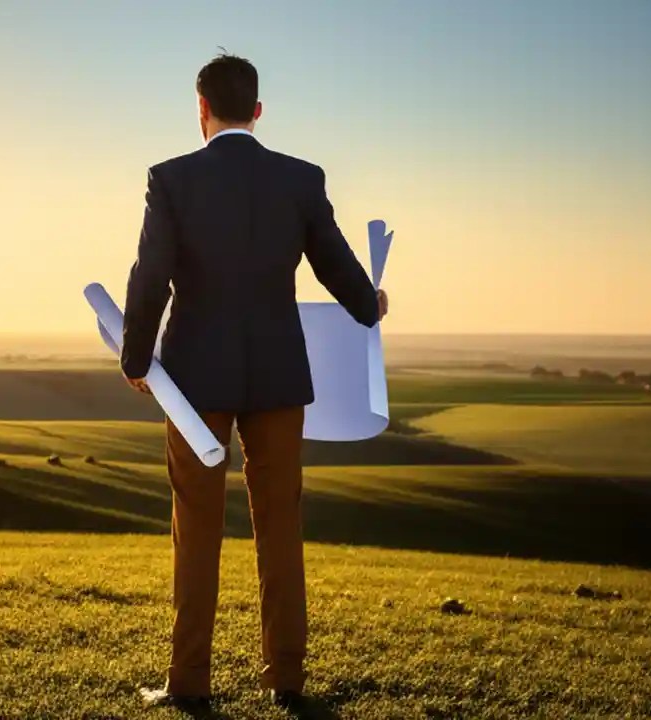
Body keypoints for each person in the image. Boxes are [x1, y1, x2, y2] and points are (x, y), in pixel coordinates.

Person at [122, 53, 389, 712]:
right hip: (277, 376)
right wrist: (370, 304)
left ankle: (189, 682)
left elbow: (151, 275)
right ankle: (285, 677)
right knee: (279, 526)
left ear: (202, 109)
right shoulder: (301, 178)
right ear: (259, 111)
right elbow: (335, 263)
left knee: (196, 528)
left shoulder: (171, 179)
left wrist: (136, 360)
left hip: (195, 381)